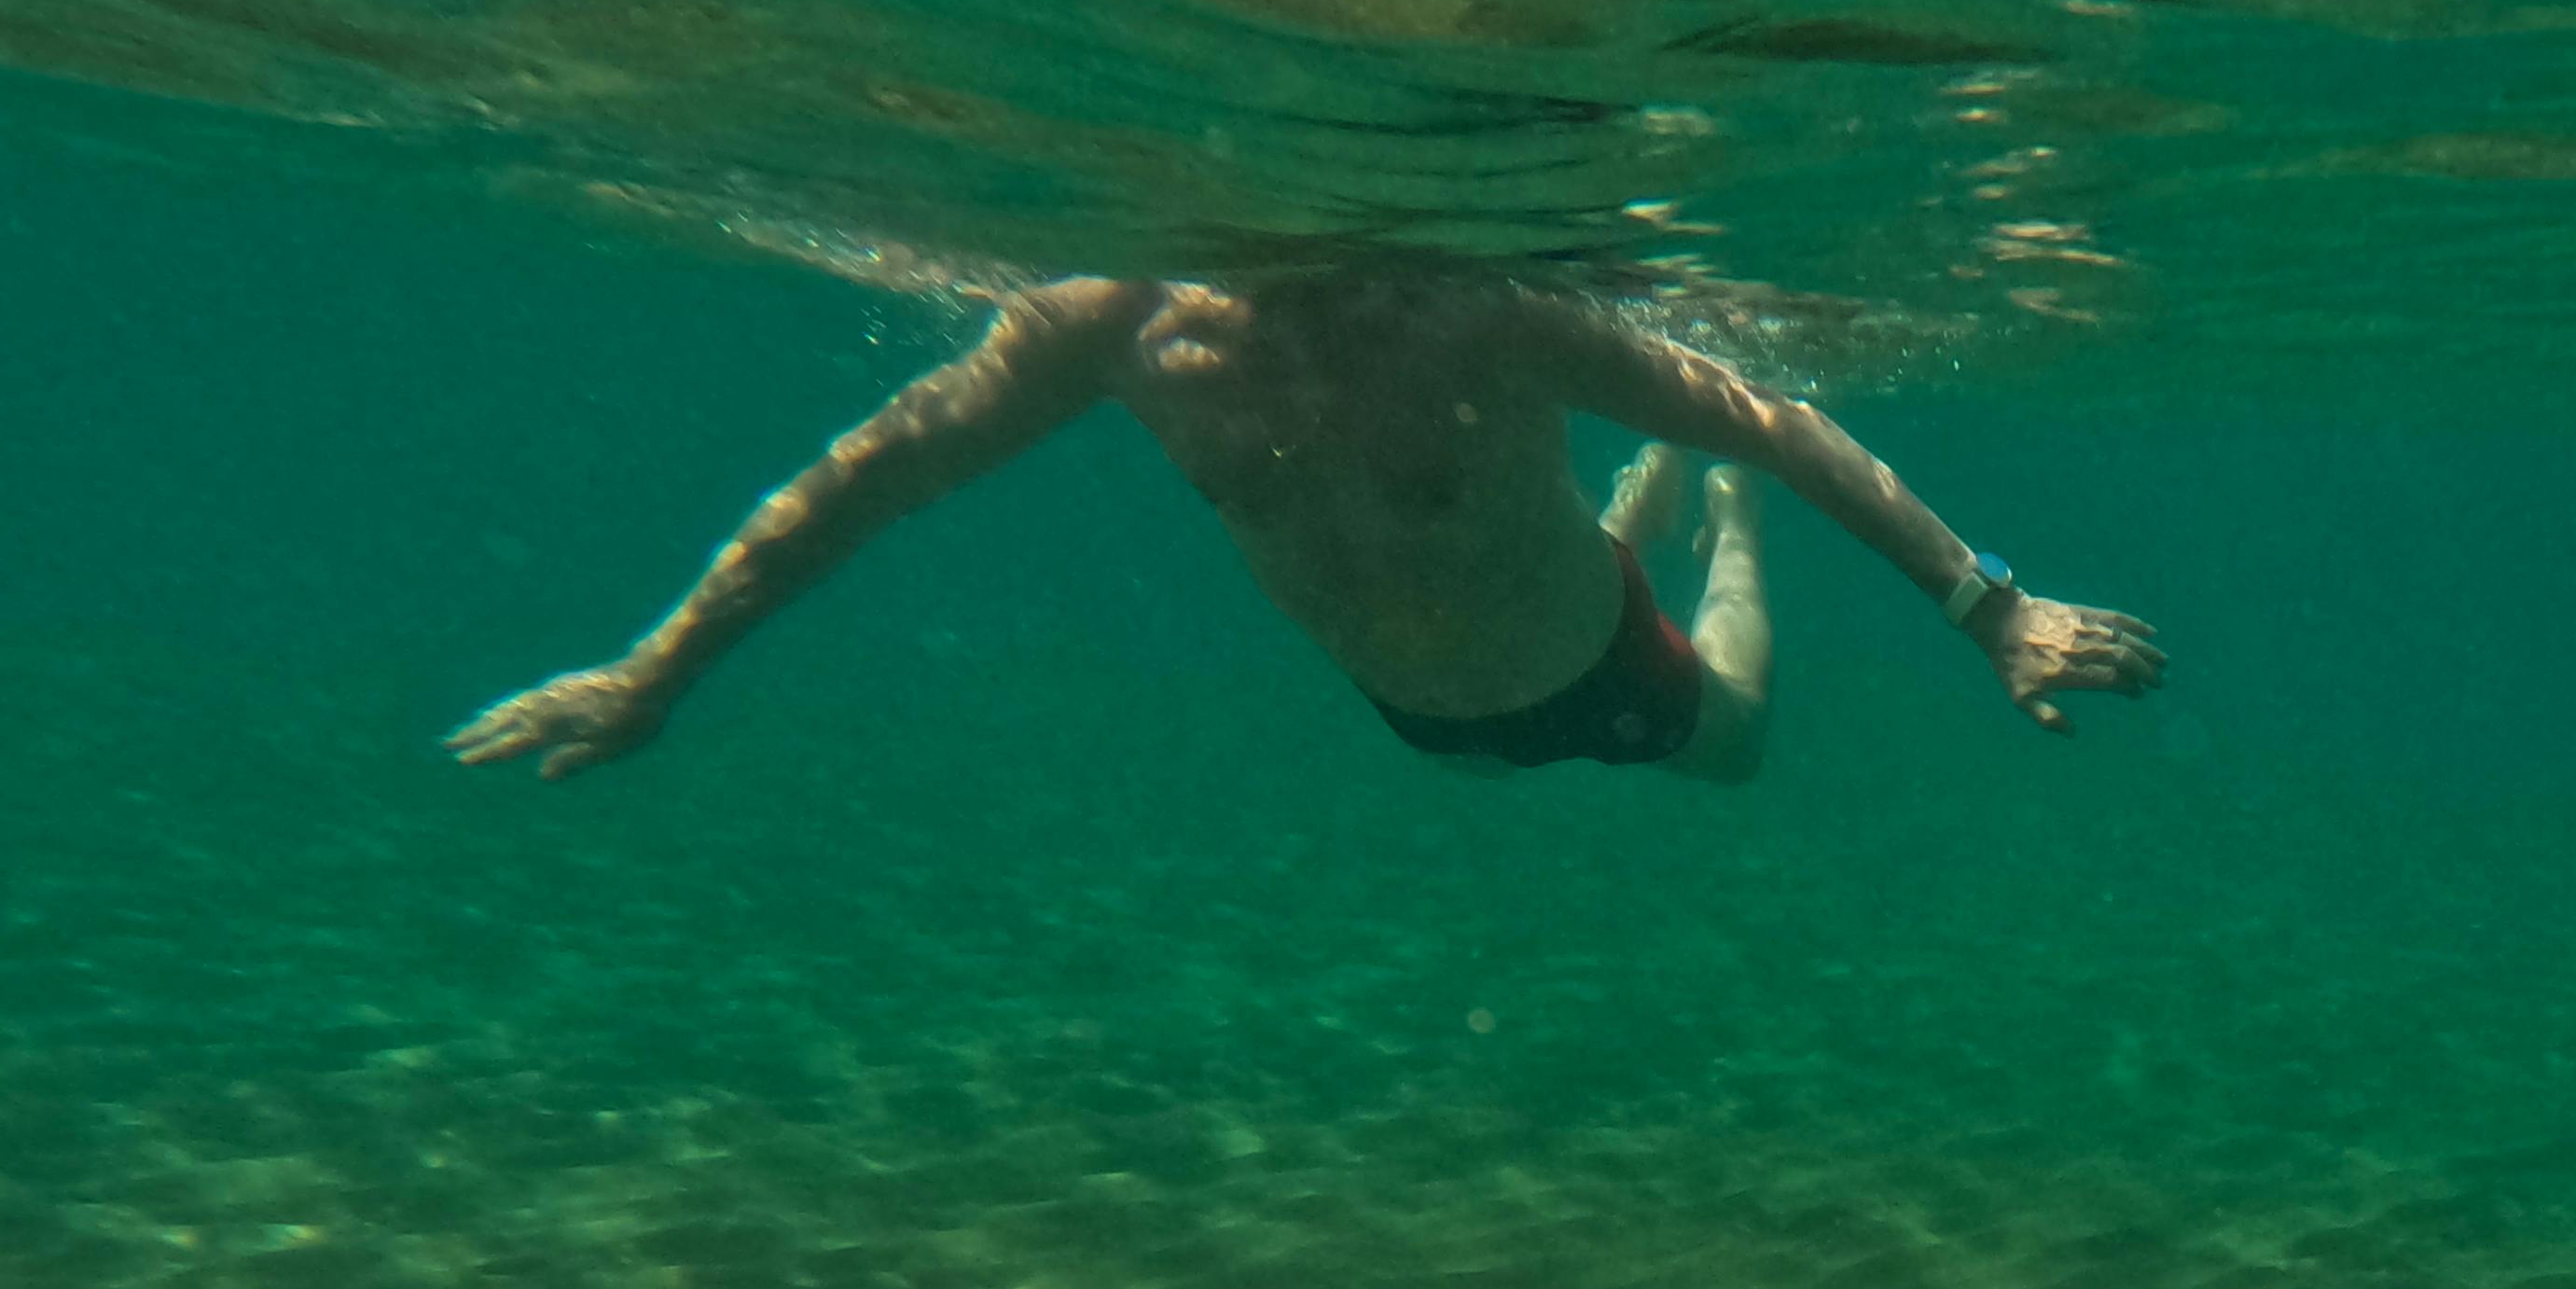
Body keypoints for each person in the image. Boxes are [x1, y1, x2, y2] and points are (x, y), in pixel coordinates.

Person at [446, 262, 2162, 788]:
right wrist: (658, 670)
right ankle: (1625, 513)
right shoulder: (1101, 335)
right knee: (1567, 516)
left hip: (1595, 661)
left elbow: (1773, 424)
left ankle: (1704, 543)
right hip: (1417, 714)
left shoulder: (1480, 315)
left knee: (1742, 739)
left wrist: (1982, 603)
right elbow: (868, 483)